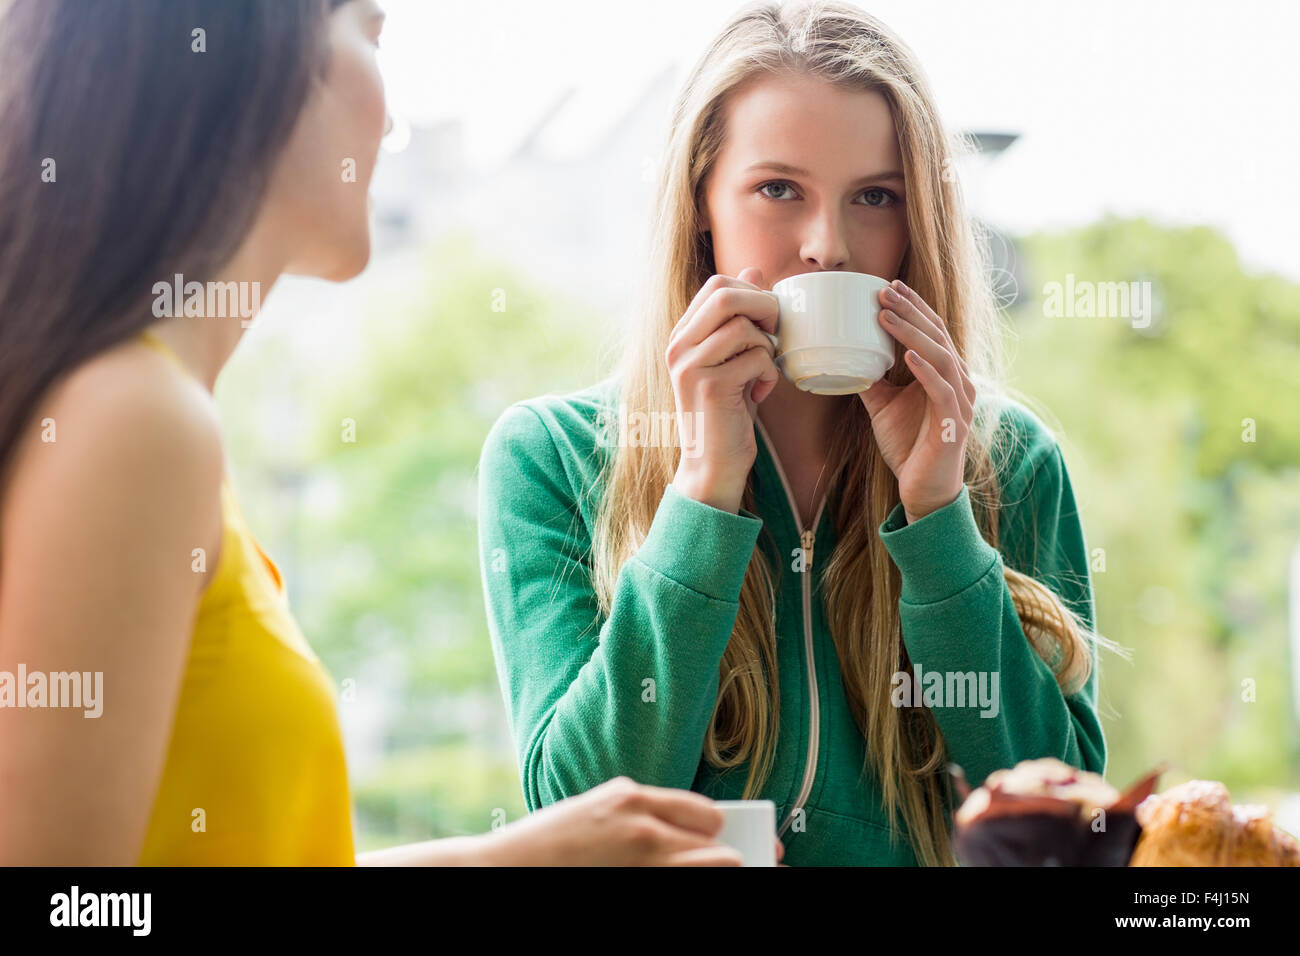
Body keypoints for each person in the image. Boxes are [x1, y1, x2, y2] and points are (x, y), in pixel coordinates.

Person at [0, 0, 767, 867]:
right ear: (248, 61)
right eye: (368, 34)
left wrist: (515, 860)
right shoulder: (136, 421)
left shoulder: (151, 416)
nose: (395, 118)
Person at [477, 0, 1124, 866]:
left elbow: (1070, 828)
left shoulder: (1010, 464)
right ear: (700, 200)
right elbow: (576, 813)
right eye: (778, 189)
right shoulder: (549, 457)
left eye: (876, 197)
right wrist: (703, 491)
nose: (830, 244)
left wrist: (938, 520)